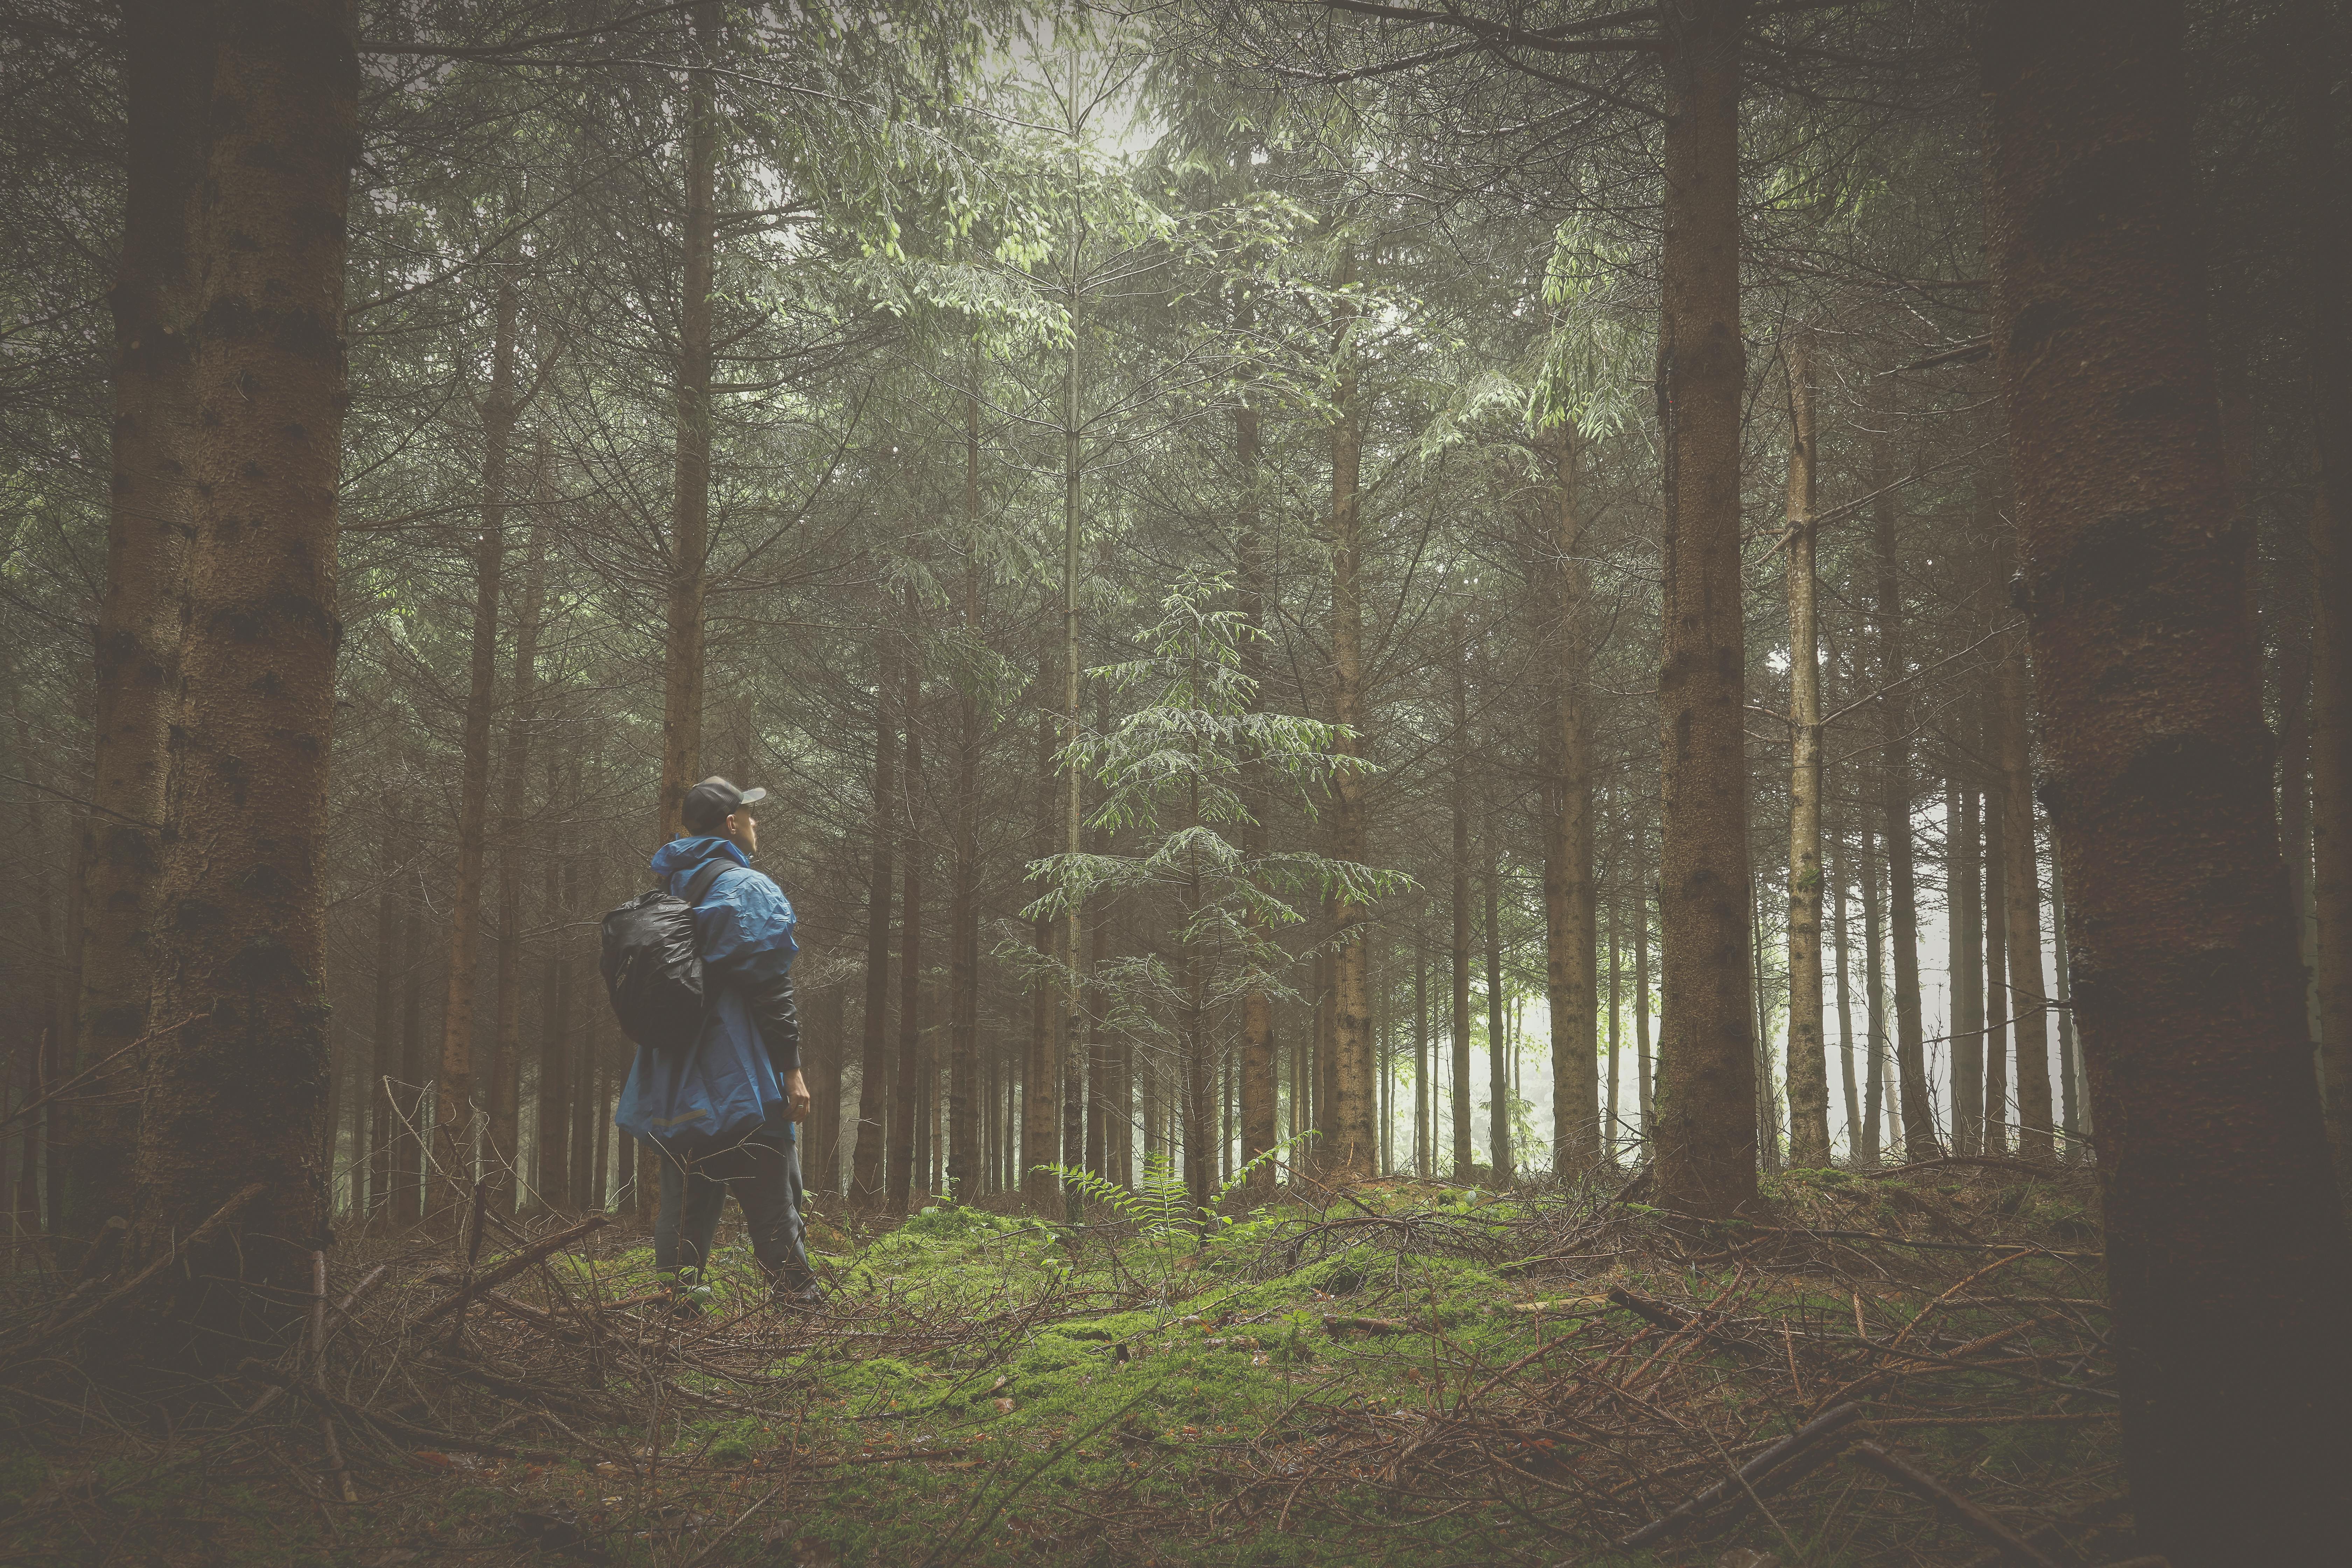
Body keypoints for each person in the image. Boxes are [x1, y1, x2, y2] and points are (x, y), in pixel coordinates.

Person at [619, 775, 822, 1308]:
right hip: (739, 1076)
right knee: (774, 1201)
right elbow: (770, 987)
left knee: (684, 1205)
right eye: (750, 816)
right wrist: (792, 1069)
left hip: (672, 1080)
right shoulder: (746, 889)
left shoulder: (668, 891)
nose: (757, 824)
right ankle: (800, 1313)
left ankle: (677, 1313)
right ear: (732, 824)